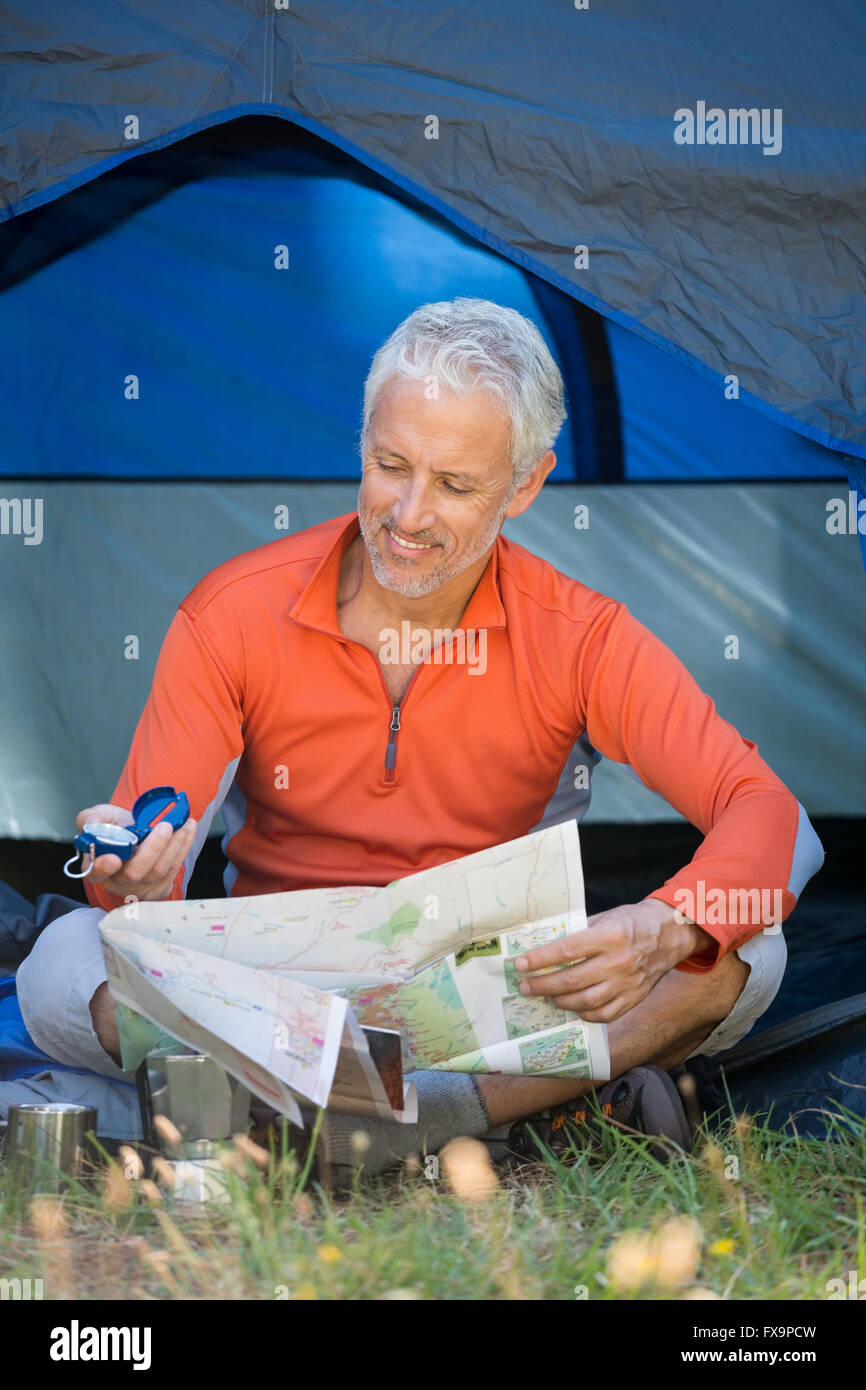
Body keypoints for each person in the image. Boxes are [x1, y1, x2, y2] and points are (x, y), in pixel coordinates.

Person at [17, 298, 824, 1172]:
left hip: (485, 1001)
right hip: (277, 1000)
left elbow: (773, 817)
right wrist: (132, 880)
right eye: (389, 463)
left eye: (455, 484)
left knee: (748, 949)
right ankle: (479, 1120)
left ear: (524, 485)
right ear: (360, 437)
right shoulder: (231, 613)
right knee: (60, 965)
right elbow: (137, 895)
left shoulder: (582, 634)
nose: (406, 514)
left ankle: (385, 1124)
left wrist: (666, 927)